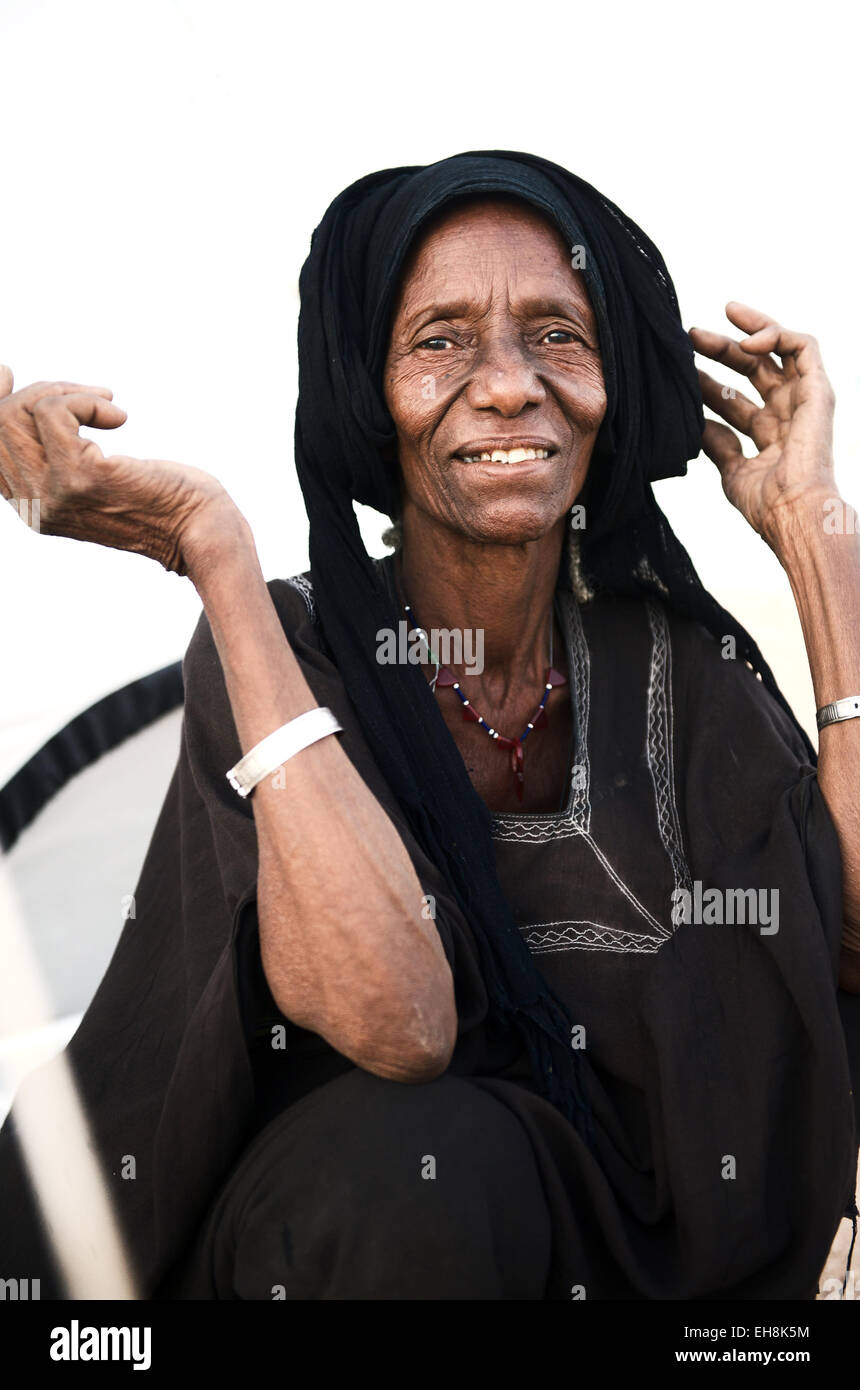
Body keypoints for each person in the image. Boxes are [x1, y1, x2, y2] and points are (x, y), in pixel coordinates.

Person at [0, 151, 858, 1301]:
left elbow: (846, 940)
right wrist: (214, 554)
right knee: (417, 1161)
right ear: (371, 389)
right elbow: (399, 1023)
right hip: (365, 1247)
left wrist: (812, 526)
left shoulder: (667, 658)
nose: (508, 385)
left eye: (558, 333)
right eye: (441, 339)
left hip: (652, 1251)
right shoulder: (293, 649)